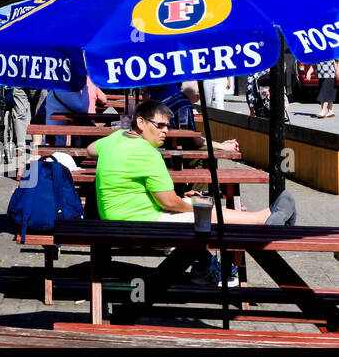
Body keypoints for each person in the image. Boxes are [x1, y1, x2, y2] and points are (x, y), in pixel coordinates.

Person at [86, 99, 298, 286]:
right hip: (139, 223)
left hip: (115, 218)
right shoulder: (146, 153)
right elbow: (169, 203)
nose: (165, 131)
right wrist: (189, 204)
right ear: (141, 122)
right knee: (203, 210)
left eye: (167, 126)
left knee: (201, 208)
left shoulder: (116, 139)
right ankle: (262, 220)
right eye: (159, 125)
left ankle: (249, 228)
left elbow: (90, 149)